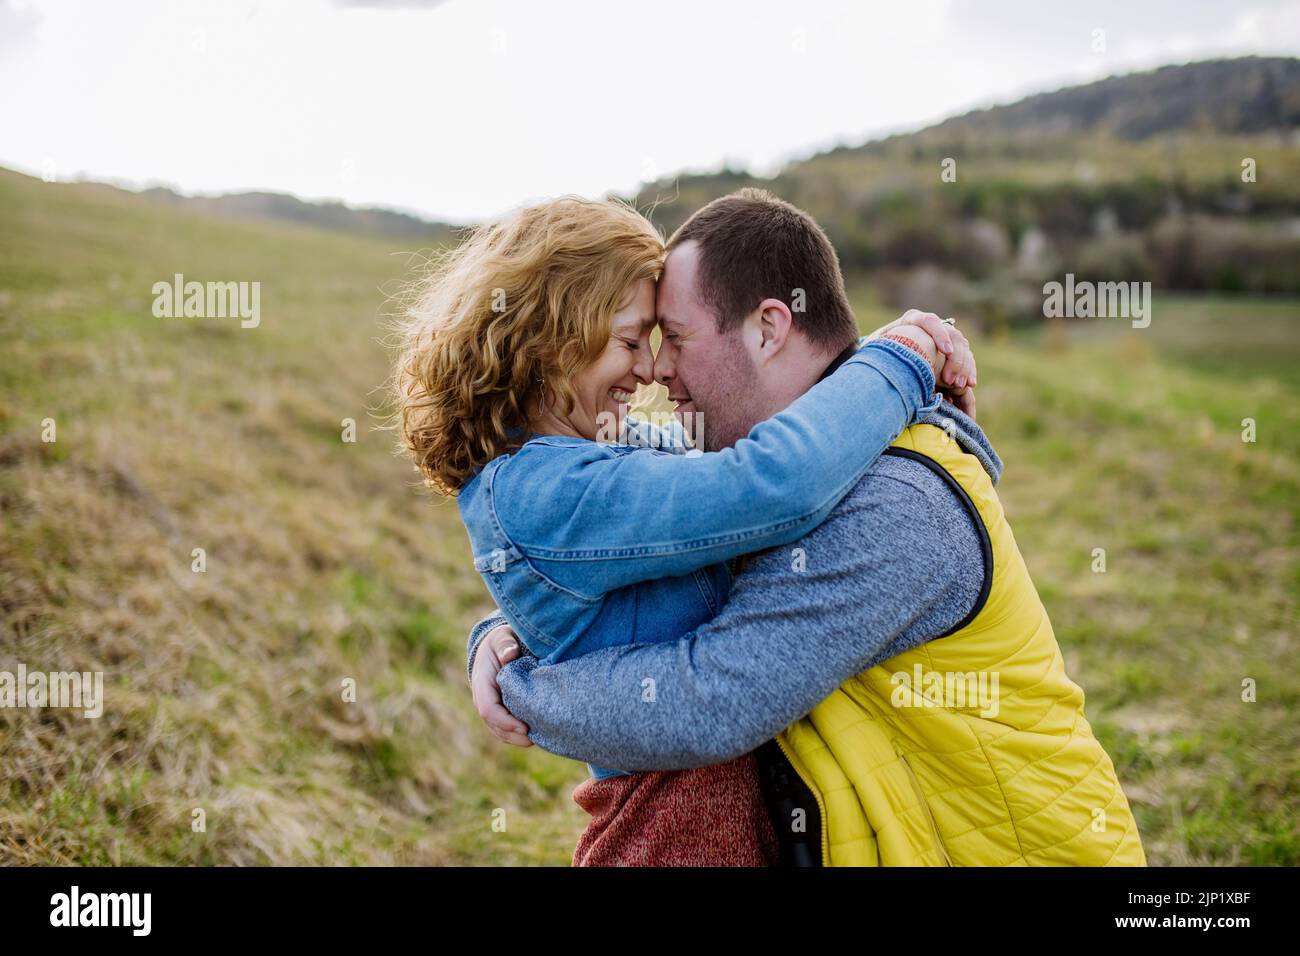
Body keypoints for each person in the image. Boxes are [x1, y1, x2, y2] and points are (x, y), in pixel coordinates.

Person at [469, 189, 1147, 867]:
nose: (659, 370)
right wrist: (502, 634)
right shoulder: (775, 471)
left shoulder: (890, 500)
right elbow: (615, 544)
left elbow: (710, 699)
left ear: (768, 328)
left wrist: (522, 687)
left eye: (674, 339)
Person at [392, 194, 971, 864]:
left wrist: (503, 634)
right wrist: (898, 362)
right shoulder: (546, 487)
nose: (648, 370)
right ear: (552, 337)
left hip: (706, 811)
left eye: (660, 342)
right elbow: (764, 485)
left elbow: (711, 465)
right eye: (632, 341)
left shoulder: (586, 454)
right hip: (671, 826)